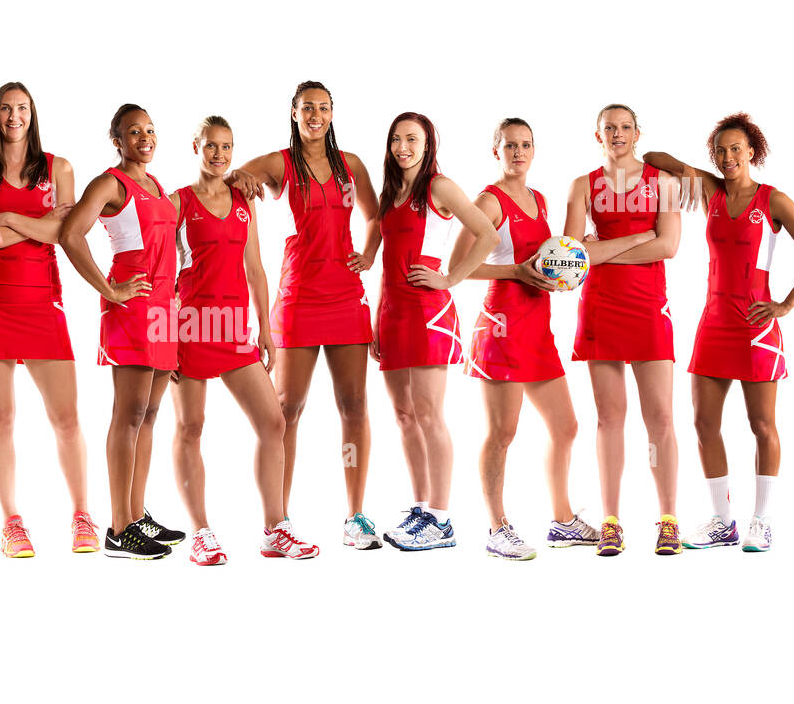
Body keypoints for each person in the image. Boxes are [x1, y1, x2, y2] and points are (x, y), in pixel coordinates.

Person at [461, 118, 650, 558]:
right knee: (502, 432)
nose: (518, 152)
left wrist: (568, 268)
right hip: (503, 326)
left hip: (537, 327)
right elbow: (459, 268)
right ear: (496, 151)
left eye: (525, 145)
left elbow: (549, 260)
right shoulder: (489, 202)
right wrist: (516, 271)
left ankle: (562, 520)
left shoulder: (539, 199)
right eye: (509, 145)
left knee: (566, 427)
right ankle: (496, 528)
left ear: (533, 149)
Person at [644, 113, 794, 552]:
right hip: (713, 322)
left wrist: (784, 305)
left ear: (752, 152)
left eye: (736, 150)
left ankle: (762, 521)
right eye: (721, 151)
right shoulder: (710, 190)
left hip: (755, 326)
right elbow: (654, 157)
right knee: (704, 422)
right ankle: (723, 522)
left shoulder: (773, 200)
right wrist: (693, 174)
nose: (729, 157)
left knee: (761, 424)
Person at [227, 81, 378, 549]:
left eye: (324, 107)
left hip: (345, 297)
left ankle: (355, 515)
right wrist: (242, 179)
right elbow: (233, 178)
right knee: (286, 411)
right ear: (293, 113)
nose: (316, 114)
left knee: (353, 408)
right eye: (307, 107)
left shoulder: (350, 164)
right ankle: (280, 520)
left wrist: (368, 254)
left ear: (333, 113)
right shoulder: (280, 163)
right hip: (297, 298)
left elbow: (375, 217)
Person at [0, 82, 98, 557]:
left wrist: (8, 222)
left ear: (32, 114)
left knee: (66, 418)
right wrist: (33, 223)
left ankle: (82, 514)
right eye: (5, 109)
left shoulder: (59, 168)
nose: (14, 117)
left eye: (22, 109)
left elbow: (66, 233)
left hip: (42, 302)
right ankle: (11, 522)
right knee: (0, 417)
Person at [171, 116, 308, 565]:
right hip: (190, 326)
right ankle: (201, 533)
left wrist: (265, 329)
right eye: (211, 146)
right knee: (190, 428)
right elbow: (157, 272)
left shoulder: (243, 200)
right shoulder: (178, 202)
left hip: (234, 329)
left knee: (273, 423)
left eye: (227, 147)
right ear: (196, 146)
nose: (219, 154)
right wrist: (164, 333)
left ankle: (275, 528)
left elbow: (256, 267)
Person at [59, 104, 185, 559]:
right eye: (134, 132)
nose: (145, 138)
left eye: (150, 130)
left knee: (149, 416)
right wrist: (109, 290)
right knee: (128, 414)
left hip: (164, 311)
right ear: (117, 139)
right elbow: (71, 233)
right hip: (132, 309)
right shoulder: (112, 183)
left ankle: (135, 514)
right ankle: (117, 529)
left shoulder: (158, 186)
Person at [372, 112, 498, 552]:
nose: (403, 147)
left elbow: (485, 232)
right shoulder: (391, 193)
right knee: (404, 415)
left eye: (413, 139)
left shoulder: (437, 186)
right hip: (393, 314)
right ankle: (422, 507)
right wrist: (377, 321)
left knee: (428, 413)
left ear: (428, 145)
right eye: (396, 139)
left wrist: (450, 278)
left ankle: (442, 519)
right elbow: (388, 263)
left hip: (428, 314)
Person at [566, 104, 683, 556]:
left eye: (625, 127)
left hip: (649, 305)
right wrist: (638, 239)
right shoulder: (582, 185)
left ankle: (668, 518)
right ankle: (611, 520)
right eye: (609, 128)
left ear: (638, 133)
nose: (617, 133)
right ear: (597, 135)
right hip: (600, 306)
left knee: (661, 419)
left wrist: (602, 250)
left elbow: (669, 246)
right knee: (609, 418)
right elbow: (571, 258)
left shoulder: (666, 184)